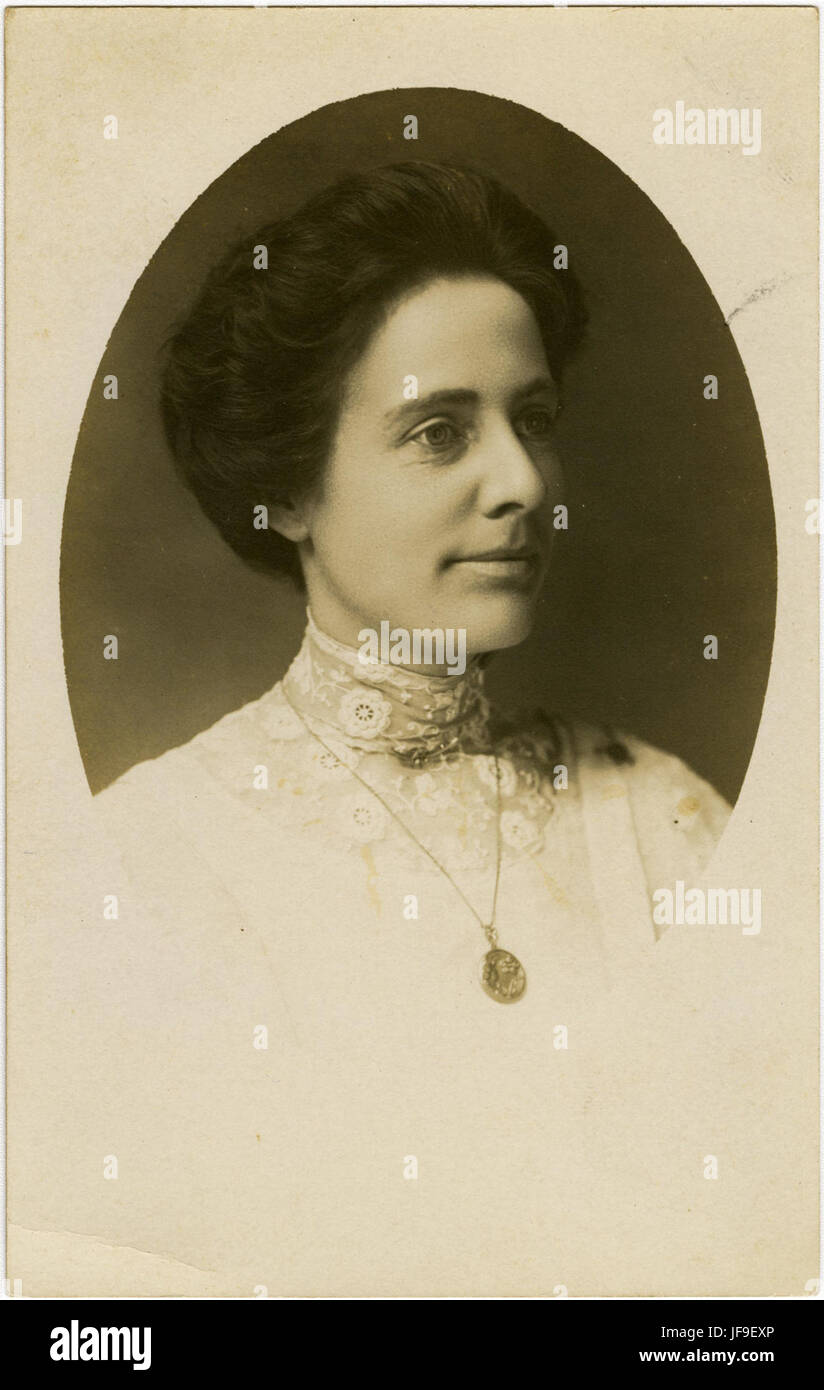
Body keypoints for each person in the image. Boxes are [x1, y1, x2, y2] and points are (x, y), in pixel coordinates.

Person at [13, 162, 744, 1297]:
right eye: (439, 432)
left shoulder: (664, 816)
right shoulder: (153, 857)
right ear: (290, 489)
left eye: (533, 420)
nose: (522, 480)